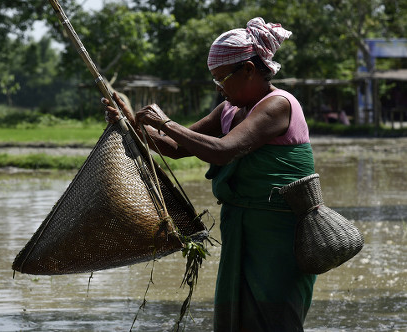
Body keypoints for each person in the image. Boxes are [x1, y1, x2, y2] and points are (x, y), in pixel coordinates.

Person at [105, 17, 316, 332]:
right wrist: (129, 122)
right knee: (237, 317)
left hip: (278, 236)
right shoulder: (229, 109)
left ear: (248, 69)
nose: (219, 88)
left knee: (277, 316)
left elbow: (224, 150)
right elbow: (175, 147)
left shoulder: (278, 106)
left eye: (222, 79)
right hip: (242, 230)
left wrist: (165, 122)